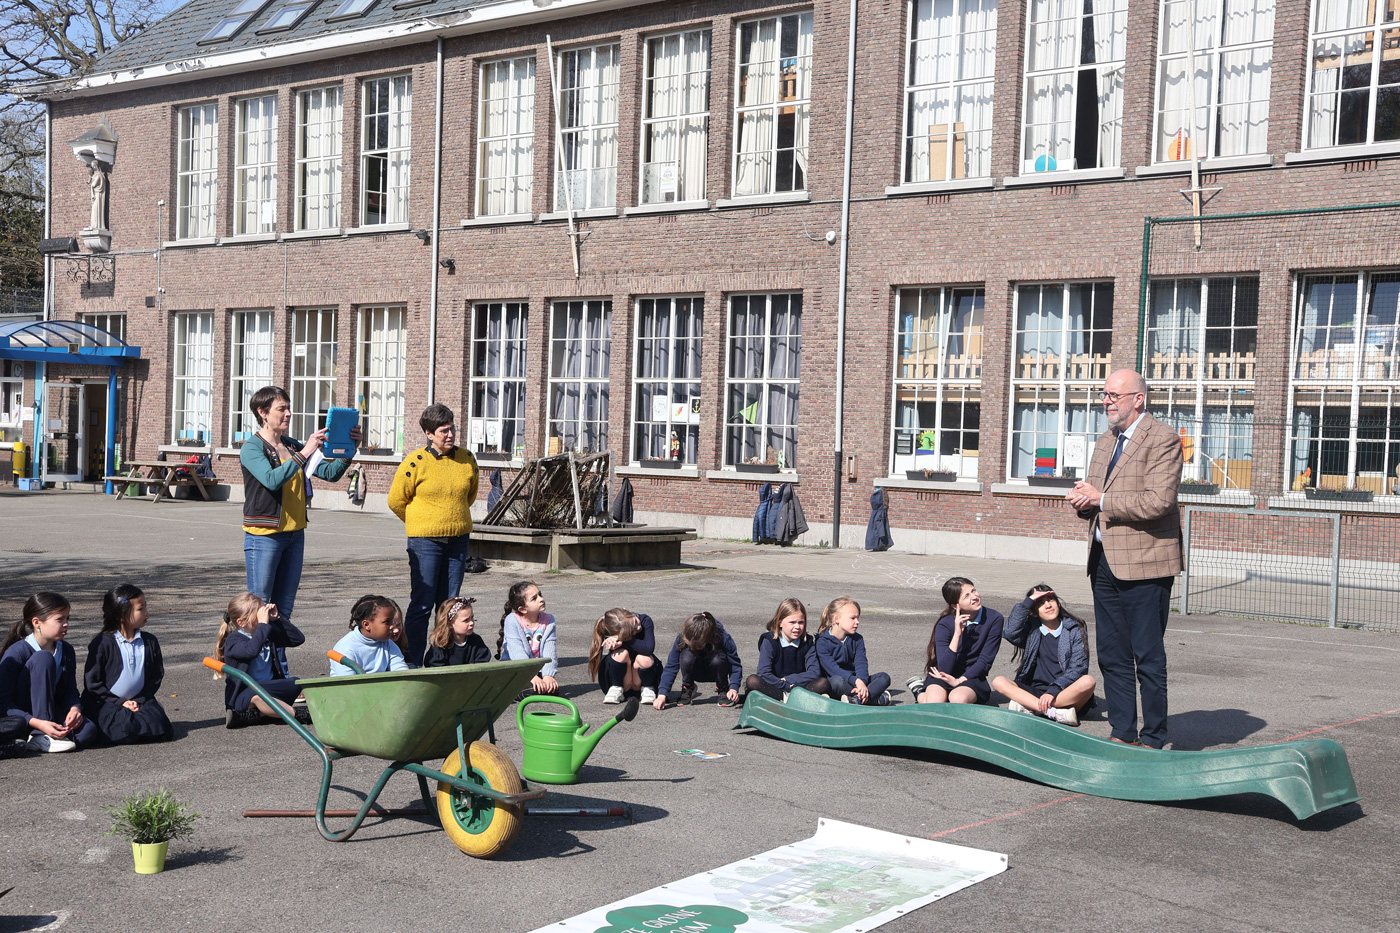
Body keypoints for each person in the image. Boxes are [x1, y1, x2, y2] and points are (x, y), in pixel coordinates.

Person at [1067, 368, 1182, 749]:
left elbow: (1158, 501)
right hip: (1103, 561)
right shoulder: (1106, 440)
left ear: (1138, 399)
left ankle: (1153, 736)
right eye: (1104, 394)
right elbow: (1098, 498)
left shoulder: (1163, 438)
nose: (1106, 401)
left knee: (1147, 655)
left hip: (1146, 563)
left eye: (1114, 395)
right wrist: (1084, 502)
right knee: (1112, 654)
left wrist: (1100, 499)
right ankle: (1122, 732)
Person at [240, 385, 357, 672]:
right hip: (264, 536)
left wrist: (348, 449)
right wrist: (305, 451)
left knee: (283, 611)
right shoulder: (252, 447)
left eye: (288, 407)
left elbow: (329, 473)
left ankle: (280, 671)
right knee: (259, 608)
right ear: (262, 413)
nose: (288, 413)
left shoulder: (292, 446)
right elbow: (271, 479)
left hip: (294, 535)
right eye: (281, 409)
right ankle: (254, 672)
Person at [388, 403, 480, 667]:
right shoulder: (415, 462)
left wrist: (451, 518)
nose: (450, 435)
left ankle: (443, 658)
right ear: (429, 433)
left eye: (452, 429)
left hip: (458, 541)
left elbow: (469, 495)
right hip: (425, 543)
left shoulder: (467, 459)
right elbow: (396, 500)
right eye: (443, 431)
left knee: (449, 606)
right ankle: (412, 659)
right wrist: (421, 523)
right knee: (422, 604)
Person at [0, 592, 97, 752]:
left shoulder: (66, 650)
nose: (66, 624)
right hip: (23, 717)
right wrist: (38, 723)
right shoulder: (17, 652)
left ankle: (44, 734)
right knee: (43, 658)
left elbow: (70, 690)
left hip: (51, 710)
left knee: (87, 732)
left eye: (67, 618)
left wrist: (74, 709)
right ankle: (39, 735)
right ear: (37, 622)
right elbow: (4, 703)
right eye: (60, 619)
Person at [80, 584, 174, 744]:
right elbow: (92, 683)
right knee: (118, 725)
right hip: (107, 702)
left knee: (159, 725)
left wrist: (139, 700)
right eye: (140, 609)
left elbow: (156, 676)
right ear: (121, 615)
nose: (146, 613)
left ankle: (134, 724)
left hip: (139, 701)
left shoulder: (150, 641)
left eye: (146, 607)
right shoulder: (103, 643)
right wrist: (120, 702)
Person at [992, 584, 1096, 726]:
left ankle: (1033, 708)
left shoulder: (1074, 628)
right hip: (1035, 691)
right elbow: (1010, 632)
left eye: (1051, 599)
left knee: (1088, 681)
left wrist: (1053, 691)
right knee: (998, 681)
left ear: (1057, 602)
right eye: (1040, 603)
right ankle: (1052, 713)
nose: (1048, 605)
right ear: (1033, 612)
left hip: (1064, 692)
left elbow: (1079, 667)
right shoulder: (1032, 630)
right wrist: (1028, 602)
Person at [215, 592, 310, 728]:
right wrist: (263, 625)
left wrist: (277, 619)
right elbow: (251, 650)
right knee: (257, 693)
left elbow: (297, 639)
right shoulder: (233, 640)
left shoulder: (266, 633)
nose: (263, 616)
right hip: (244, 696)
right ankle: (298, 714)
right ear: (241, 622)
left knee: (296, 683)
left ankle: (251, 716)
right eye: (258, 614)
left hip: (269, 689)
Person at [914, 577, 1003, 705]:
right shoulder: (945, 624)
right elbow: (944, 668)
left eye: (974, 591)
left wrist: (959, 681)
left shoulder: (994, 618)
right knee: (934, 701)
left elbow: (985, 661)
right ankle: (918, 692)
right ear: (955, 605)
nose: (974, 597)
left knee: (957, 699)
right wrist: (957, 634)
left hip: (972, 676)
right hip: (943, 674)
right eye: (967, 596)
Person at [745, 598, 830, 702]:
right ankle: (789, 699)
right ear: (780, 622)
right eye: (792, 622)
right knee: (752, 681)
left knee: (823, 683)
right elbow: (763, 673)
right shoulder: (769, 641)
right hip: (776, 686)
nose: (797, 627)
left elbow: (814, 672)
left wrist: (789, 680)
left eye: (801, 622)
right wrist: (784, 685)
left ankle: (791, 699)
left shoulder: (807, 642)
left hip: (798, 687)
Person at [654, 612, 743, 709]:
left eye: (697, 646)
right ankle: (688, 687)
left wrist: (733, 688)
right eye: (690, 645)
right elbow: (672, 665)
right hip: (694, 670)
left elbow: (735, 664)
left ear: (708, 639)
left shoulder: (722, 637)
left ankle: (723, 689)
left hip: (715, 670)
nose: (693, 648)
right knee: (686, 656)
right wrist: (662, 694)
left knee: (718, 659)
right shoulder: (682, 637)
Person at [816, 597, 891, 706]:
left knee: (884, 677)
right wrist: (856, 681)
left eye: (858, 618)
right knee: (836, 682)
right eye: (853, 618)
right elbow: (833, 669)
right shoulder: (822, 642)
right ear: (836, 619)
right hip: (841, 682)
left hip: (857, 683)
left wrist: (862, 682)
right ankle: (873, 699)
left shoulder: (857, 639)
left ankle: (856, 700)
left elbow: (861, 663)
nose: (857, 622)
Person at [497, 582, 558, 698]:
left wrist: (548, 676)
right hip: (516, 670)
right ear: (522, 609)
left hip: (534, 671)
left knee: (551, 689)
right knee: (530, 691)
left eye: (540, 594)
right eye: (534, 598)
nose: (541, 599)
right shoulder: (512, 621)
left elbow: (550, 650)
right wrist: (530, 676)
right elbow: (517, 653)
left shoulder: (549, 620)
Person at [587, 608, 660, 705]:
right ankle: (616, 688)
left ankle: (648, 689)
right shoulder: (614, 629)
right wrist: (615, 642)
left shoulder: (645, 620)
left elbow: (648, 649)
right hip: (622, 680)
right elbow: (615, 657)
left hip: (643, 678)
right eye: (632, 632)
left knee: (644, 658)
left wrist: (625, 639)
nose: (638, 628)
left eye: (635, 622)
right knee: (620, 654)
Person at [331, 595, 411, 676]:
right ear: (366, 625)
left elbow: (400, 670)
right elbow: (349, 681)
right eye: (387, 622)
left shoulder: (387, 644)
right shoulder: (346, 648)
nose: (392, 626)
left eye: (392, 622)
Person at [423, 596, 491, 668]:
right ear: (449, 624)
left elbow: (482, 665)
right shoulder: (441, 645)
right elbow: (436, 668)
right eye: (466, 620)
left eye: (472, 618)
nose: (471, 623)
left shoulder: (476, 642)